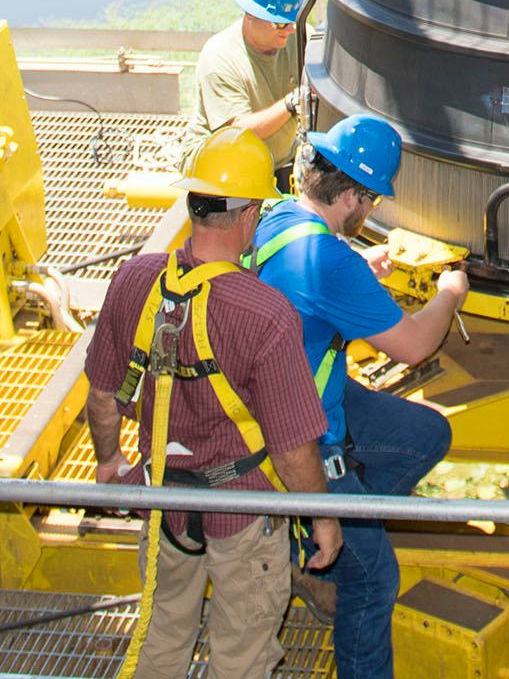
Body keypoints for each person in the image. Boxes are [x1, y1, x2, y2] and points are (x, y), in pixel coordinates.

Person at [86, 125, 341, 679]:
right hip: (246, 514)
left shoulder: (134, 281)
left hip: (163, 507)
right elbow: (294, 448)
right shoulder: (264, 313)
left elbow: (103, 396)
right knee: (243, 660)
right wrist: (323, 518)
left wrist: (109, 462)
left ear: (195, 203)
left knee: (160, 641)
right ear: (249, 214)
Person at [246, 114, 469, 676]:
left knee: (425, 433)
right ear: (350, 196)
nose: (369, 212)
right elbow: (415, 346)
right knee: (375, 579)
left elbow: (305, 286)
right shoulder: (332, 264)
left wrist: (359, 266)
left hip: (290, 386)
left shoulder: (279, 219)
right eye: (369, 200)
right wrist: (449, 295)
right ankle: (323, 542)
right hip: (303, 429)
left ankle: (327, 539)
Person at [189, 0, 306, 178]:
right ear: (251, 15)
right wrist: (292, 103)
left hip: (275, 161)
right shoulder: (220, 58)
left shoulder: (299, 37)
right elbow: (238, 132)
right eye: (280, 23)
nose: (290, 29)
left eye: (294, 20)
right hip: (222, 164)